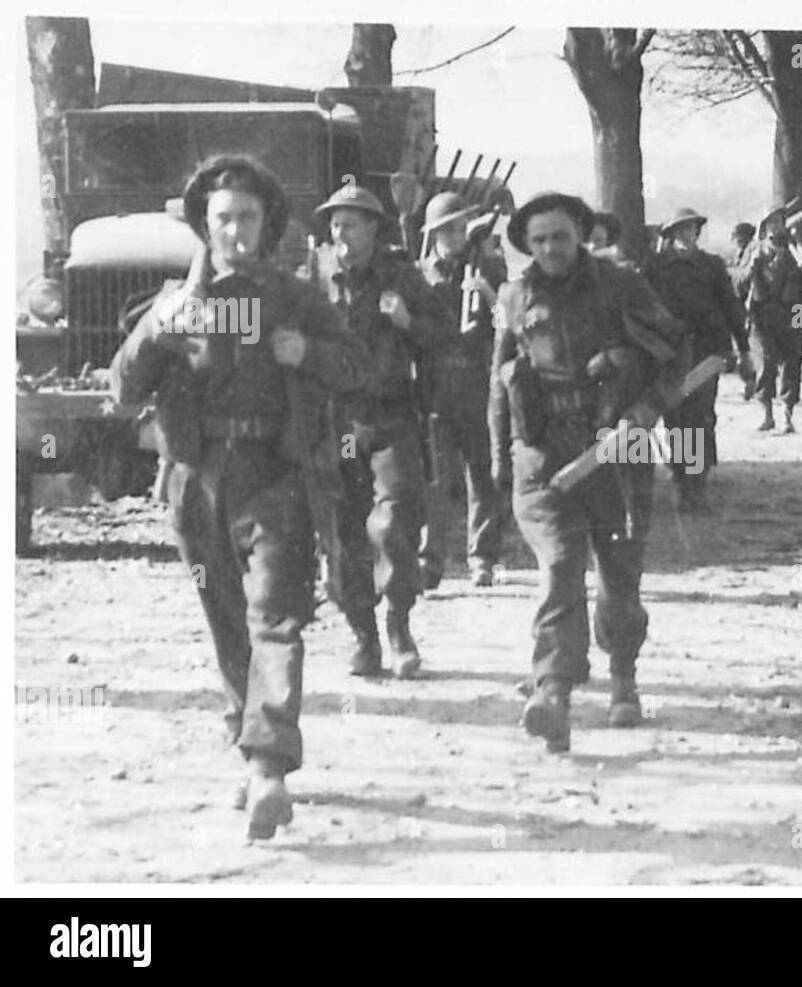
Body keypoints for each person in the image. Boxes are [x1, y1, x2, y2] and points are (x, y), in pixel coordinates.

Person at [109, 155, 374, 839]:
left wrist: (305, 354)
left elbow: (359, 368)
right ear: (204, 224)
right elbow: (122, 389)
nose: (234, 230)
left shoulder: (294, 298)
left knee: (276, 619)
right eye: (222, 218)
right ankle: (249, 740)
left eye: (247, 217)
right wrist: (153, 333)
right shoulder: (177, 300)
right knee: (227, 618)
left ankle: (269, 766)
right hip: (197, 482)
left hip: (276, 474)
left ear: (266, 225)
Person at [489, 191, 686, 752]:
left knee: (620, 576)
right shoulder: (514, 296)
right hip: (544, 458)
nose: (551, 247)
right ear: (527, 245)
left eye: (560, 236)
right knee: (560, 565)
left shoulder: (619, 285)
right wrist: (501, 461)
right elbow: (500, 380)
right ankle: (553, 690)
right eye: (539, 239)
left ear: (580, 234)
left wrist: (645, 414)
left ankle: (622, 673)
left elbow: (677, 355)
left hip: (615, 453)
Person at [303, 183, 451, 678]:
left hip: (389, 418)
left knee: (394, 522)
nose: (341, 232)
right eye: (335, 223)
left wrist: (408, 321)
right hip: (339, 422)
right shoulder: (315, 278)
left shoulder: (402, 277)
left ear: (373, 230)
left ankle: (399, 625)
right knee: (344, 534)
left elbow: (444, 334)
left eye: (351, 223)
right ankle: (363, 635)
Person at [418, 191, 510, 589]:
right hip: (436, 383)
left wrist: (488, 294)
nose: (457, 235)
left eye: (461, 227)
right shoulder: (419, 274)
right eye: (449, 228)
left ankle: (483, 557)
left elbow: (511, 322)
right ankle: (430, 560)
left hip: (477, 381)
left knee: (482, 473)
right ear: (435, 232)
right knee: (436, 478)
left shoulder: (489, 267)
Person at [644, 206, 754, 511]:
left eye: (691, 229)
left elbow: (731, 308)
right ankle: (682, 479)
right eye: (679, 230)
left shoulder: (711, 266)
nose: (686, 235)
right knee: (676, 420)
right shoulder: (654, 268)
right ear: (669, 236)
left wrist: (743, 351)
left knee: (701, 418)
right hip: (669, 356)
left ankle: (697, 483)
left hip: (706, 354)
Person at [739, 203, 802, 432]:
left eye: (780, 221)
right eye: (772, 222)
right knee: (765, 365)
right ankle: (767, 414)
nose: (777, 226)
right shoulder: (754, 249)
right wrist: (751, 268)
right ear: (765, 226)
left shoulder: (795, 249)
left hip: (793, 311)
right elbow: (739, 283)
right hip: (761, 315)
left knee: (792, 362)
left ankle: (788, 415)